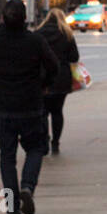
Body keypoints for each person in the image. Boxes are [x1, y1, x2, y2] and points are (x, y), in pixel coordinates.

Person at [0, 0, 58, 214]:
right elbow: (53, 66)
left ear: (2, 18)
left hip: (3, 107)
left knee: (7, 157)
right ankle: (27, 187)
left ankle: (11, 206)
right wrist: (44, 84)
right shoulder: (35, 41)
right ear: (25, 19)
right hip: (31, 105)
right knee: (36, 148)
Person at [35, 8, 80, 156]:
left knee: (43, 112)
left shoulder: (38, 33)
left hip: (42, 78)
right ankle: (55, 143)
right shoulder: (67, 34)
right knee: (57, 112)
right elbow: (74, 57)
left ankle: (44, 141)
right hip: (62, 78)